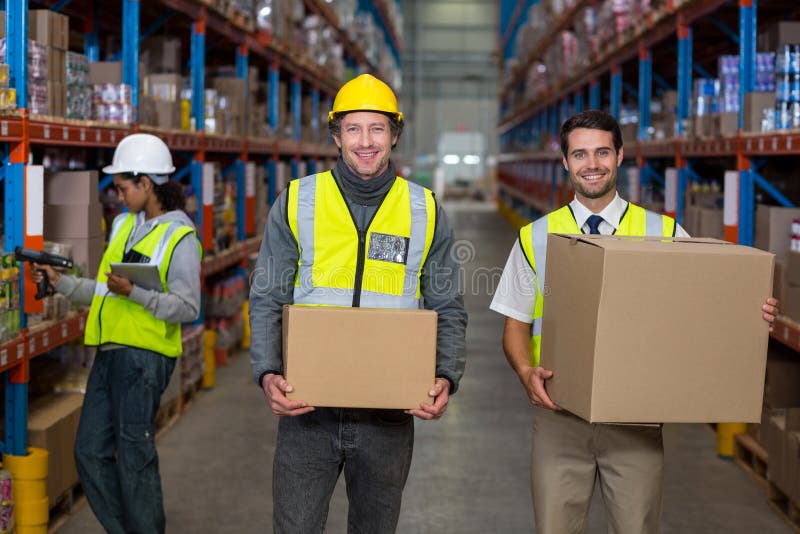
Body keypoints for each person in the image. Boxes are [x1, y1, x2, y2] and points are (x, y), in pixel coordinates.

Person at [489, 109, 779, 534]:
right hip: (559, 414)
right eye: (581, 154)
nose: (592, 164)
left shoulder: (664, 233)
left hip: (637, 421)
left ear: (620, 156)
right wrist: (524, 371)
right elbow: (515, 324)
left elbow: (705, 310)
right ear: (566, 162)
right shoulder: (536, 236)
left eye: (602, 152)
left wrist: (750, 313)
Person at [249, 73, 468, 533]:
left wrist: (445, 374)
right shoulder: (297, 202)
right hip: (307, 408)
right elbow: (268, 292)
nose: (365, 142)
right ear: (336, 136)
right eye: (353, 129)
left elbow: (447, 303)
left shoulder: (424, 210)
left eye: (377, 129)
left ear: (393, 136)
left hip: (387, 414)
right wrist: (268, 372)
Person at [33, 133, 202, 534]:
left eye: (124, 187)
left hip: (144, 357)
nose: (119, 195)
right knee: (88, 452)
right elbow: (106, 288)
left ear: (147, 183)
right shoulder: (126, 225)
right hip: (110, 354)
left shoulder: (180, 237)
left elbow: (189, 306)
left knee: (134, 455)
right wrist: (63, 284)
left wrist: (137, 293)